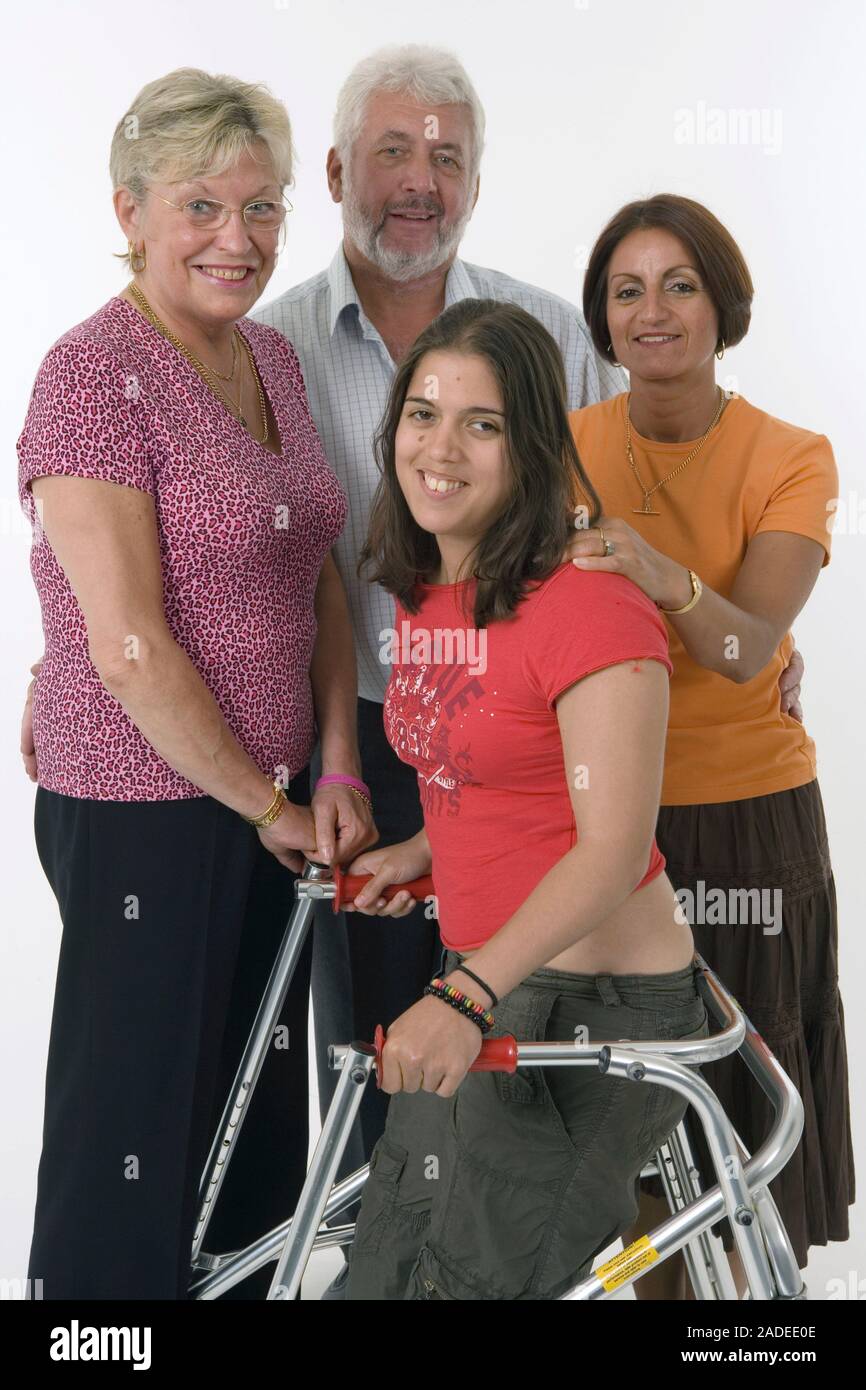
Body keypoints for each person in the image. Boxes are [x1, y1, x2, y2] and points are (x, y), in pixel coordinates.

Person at [16, 67, 374, 1300]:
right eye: (203, 208)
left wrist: (330, 765)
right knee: (134, 1138)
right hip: (145, 811)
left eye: (264, 208)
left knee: (260, 1128)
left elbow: (316, 573)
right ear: (130, 211)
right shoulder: (89, 377)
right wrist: (264, 806)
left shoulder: (269, 359)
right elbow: (127, 646)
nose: (240, 238)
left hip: (269, 803)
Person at [336, 295, 710, 1301]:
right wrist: (421, 851)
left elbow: (610, 845)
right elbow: (484, 758)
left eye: (482, 423)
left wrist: (463, 994)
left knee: (456, 1284)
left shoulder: (589, 602)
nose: (440, 446)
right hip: (489, 972)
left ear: (533, 445)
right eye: (422, 412)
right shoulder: (429, 585)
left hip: (597, 1008)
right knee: (375, 1268)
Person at [567, 193, 851, 1294]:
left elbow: (743, 647)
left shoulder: (791, 455)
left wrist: (654, 570)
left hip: (745, 826)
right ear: (600, 314)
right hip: (605, 824)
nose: (651, 312)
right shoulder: (567, 445)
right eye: (625, 290)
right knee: (634, 1115)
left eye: (678, 285)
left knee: (738, 1121)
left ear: (719, 305)